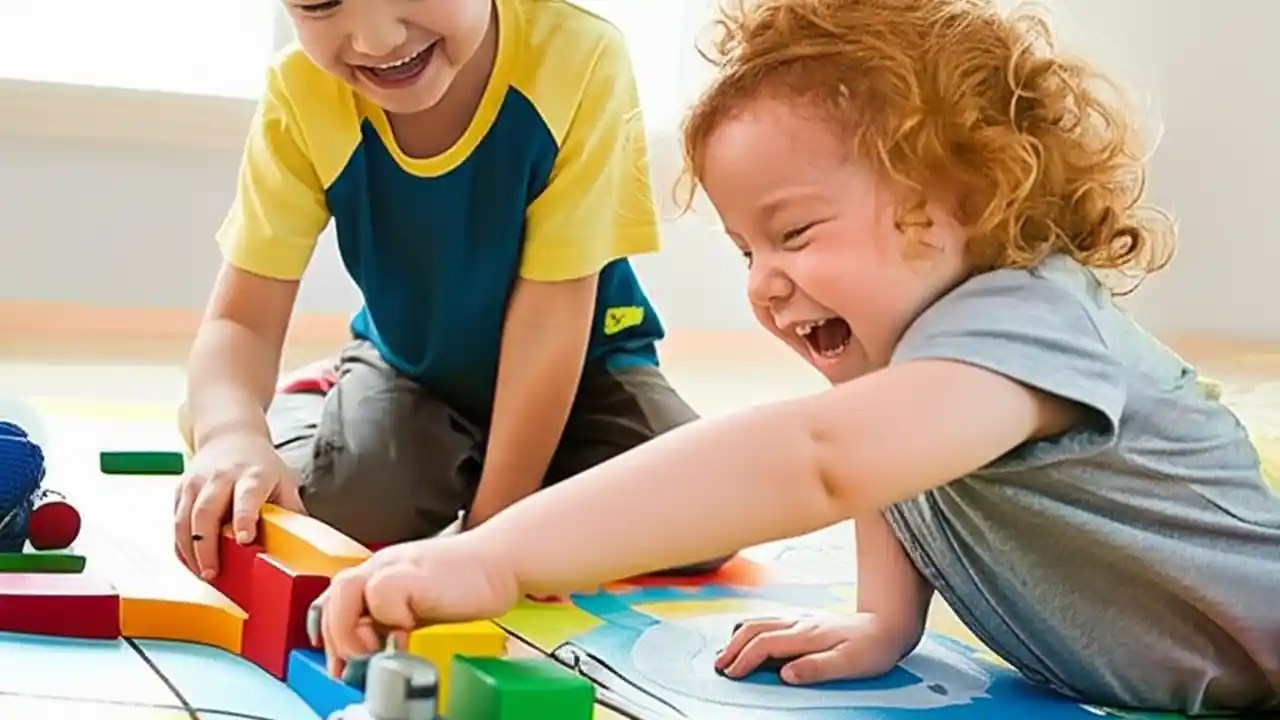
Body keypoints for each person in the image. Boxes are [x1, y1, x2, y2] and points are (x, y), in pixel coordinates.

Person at [307, 0, 1280, 715]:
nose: (764, 283)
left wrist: (499, 554)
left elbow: (824, 458)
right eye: (744, 250)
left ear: (972, 199)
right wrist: (882, 621)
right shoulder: (905, 378)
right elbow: (885, 475)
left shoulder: (1026, 321)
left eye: (795, 232)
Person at [172, 0, 729, 581]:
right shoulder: (302, 92)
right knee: (339, 512)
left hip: (586, 368)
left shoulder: (579, 57)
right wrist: (231, 433)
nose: (375, 40)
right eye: (318, 3)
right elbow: (242, 319)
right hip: (409, 368)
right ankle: (322, 397)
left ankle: (505, 474)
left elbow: (553, 316)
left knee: (712, 511)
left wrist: (493, 534)